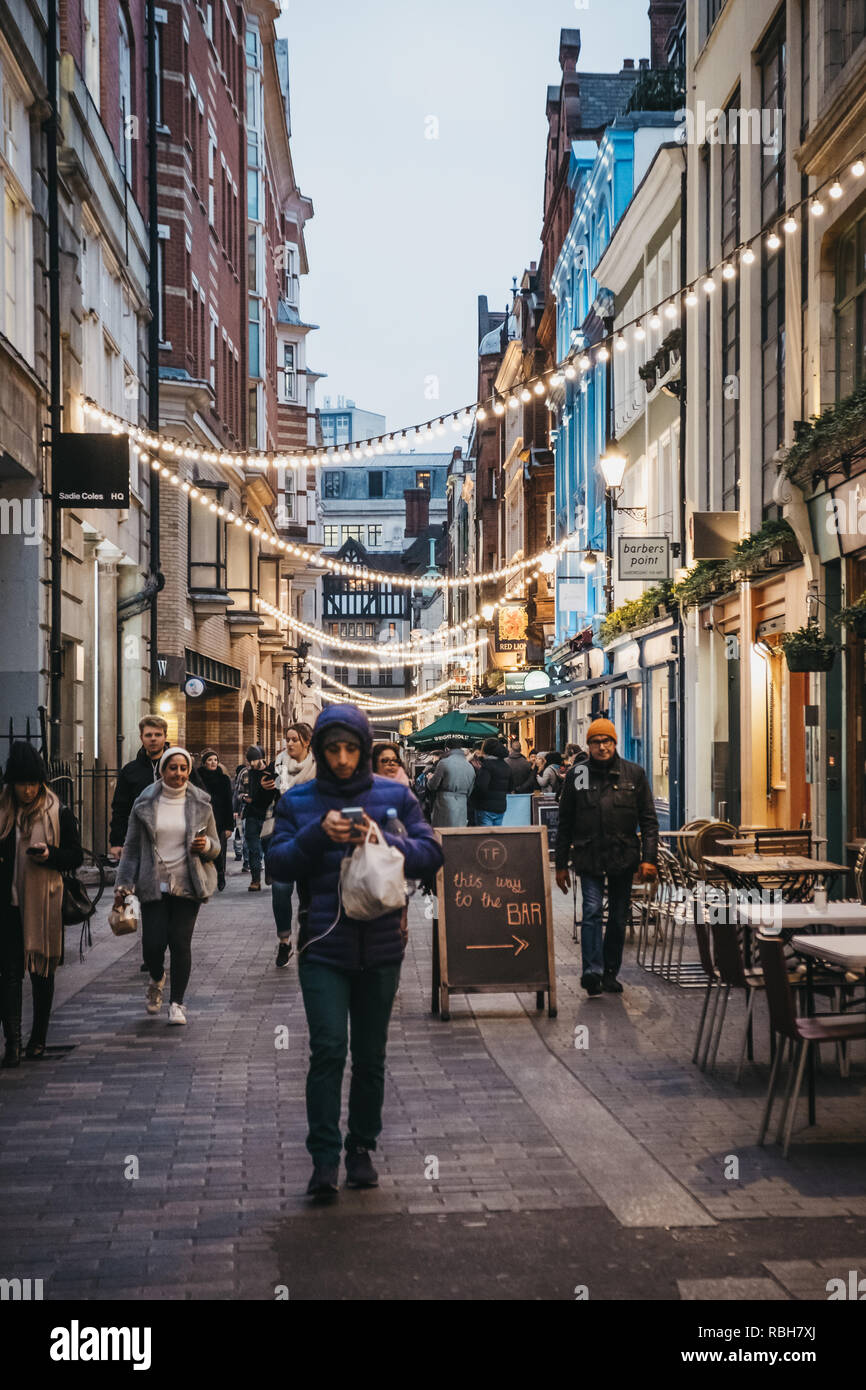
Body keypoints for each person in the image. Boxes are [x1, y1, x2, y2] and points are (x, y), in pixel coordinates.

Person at [265, 704, 443, 1197]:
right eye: (332, 749)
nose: (342, 759)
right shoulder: (299, 801)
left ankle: (360, 1147)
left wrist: (379, 837)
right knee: (328, 1049)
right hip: (323, 944)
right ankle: (323, 1158)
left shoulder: (394, 796)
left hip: (382, 943)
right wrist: (315, 833)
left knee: (370, 1054)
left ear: (364, 750)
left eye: (351, 749)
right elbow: (278, 865)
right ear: (320, 751)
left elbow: (432, 855)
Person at [114, 747, 220, 1025]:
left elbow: (216, 846)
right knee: (153, 945)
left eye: (183, 768)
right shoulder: (145, 803)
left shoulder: (202, 803)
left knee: (180, 942)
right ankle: (157, 976)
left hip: (188, 884)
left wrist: (206, 845)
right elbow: (132, 848)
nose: (179, 773)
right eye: (172, 768)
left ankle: (177, 1004)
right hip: (153, 884)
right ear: (162, 771)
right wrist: (124, 883)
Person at [555, 718, 658, 997]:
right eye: (596, 742)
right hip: (589, 856)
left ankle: (610, 971)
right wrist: (561, 865)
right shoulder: (580, 774)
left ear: (615, 743)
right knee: (591, 911)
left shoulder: (632, 774)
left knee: (617, 917)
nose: (602, 747)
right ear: (588, 746)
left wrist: (649, 858)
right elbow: (565, 821)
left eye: (606, 741)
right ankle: (592, 970)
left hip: (623, 857)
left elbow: (649, 820)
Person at [0, 743, 84, 1065]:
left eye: (34, 783)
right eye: (22, 783)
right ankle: (13, 1044)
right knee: (9, 974)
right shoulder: (3, 811)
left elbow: (75, 855)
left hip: (44, 902)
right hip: (7, 905)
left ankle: (38, 1039)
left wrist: (50, 855)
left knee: (41, 972)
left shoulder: (57, 811)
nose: (29, 790)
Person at [270, 722, 315, 968]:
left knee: (308, 895)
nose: (288, 744)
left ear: (307, 742)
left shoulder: (319, 768)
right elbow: (263, 797)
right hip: (285, 837)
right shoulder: (278, 766)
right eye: (287, 739)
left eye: (294, 739)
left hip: (310, 838)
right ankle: (284, 940)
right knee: (280, 889)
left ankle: (308, 941)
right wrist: (267, 791)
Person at [241, 745, 277, 892]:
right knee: (253, 849)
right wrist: (244, 798)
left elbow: (281, 791)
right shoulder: (246, 774)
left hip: (269, 816)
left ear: (261, 758)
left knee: (269, 848)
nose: (252, 764)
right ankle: (255, 880)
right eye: (250, 761)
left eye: (254, 760)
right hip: (251, 815)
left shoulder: (273, 773)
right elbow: (238, 792)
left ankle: (270, 873)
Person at [198, 750, 234, 891]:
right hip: (202, 821)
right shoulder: (198, 778)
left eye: (215, 760)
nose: (213, 762)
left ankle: (220, 875)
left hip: (219, 821)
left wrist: (229, 826)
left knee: (219, 851)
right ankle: (204, 878)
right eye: (210, 760)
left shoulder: (224, 780)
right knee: (203, 850)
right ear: (204, 762)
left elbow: (228, 804)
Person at [426, 746, 476, 827]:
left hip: (444, 804)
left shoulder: (443, 763)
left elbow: (432, 785)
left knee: (443, 834)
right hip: (462, 805)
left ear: (447, 749)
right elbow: (470, 790)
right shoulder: (469, 766)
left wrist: (430, 778)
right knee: (458, 834)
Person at [470, 738, 514, 827]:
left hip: (485, 807)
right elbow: (510, 787)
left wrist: (472, 797)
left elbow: (481, 787)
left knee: (485, 838)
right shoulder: (506, 766)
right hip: (500, 807)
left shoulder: (487, 765)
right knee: (496, 837)